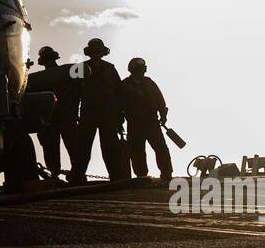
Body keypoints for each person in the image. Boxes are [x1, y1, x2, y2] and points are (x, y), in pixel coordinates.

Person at [76, 38, 130, 181]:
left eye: (98, 51)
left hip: (108, 113)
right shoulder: (81, 68)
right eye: (94, 51)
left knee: (110, 146)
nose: (96, 54)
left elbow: (119, 93)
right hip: (89, 113)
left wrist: (120, 113)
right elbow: (74, 93)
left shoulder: (110, 68)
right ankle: (78, 174)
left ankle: (116, 175)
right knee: (83, 146)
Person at [25, 46, 81, 181]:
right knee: (57, 149)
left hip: (60, 118)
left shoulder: (66, 73)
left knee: (70, 148)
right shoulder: (67, 73)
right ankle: (61, 175)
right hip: (54, 119)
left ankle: (75, 175)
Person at [122, 57, 172, 182]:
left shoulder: (149, 83)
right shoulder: (125, 85)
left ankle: (166, 174)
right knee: (137, 150)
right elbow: (119, 104)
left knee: (160, 148)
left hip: (151, 122)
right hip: (134, 123)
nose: (140, 72)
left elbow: (159, 99)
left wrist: (163, 114)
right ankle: (141, 176)